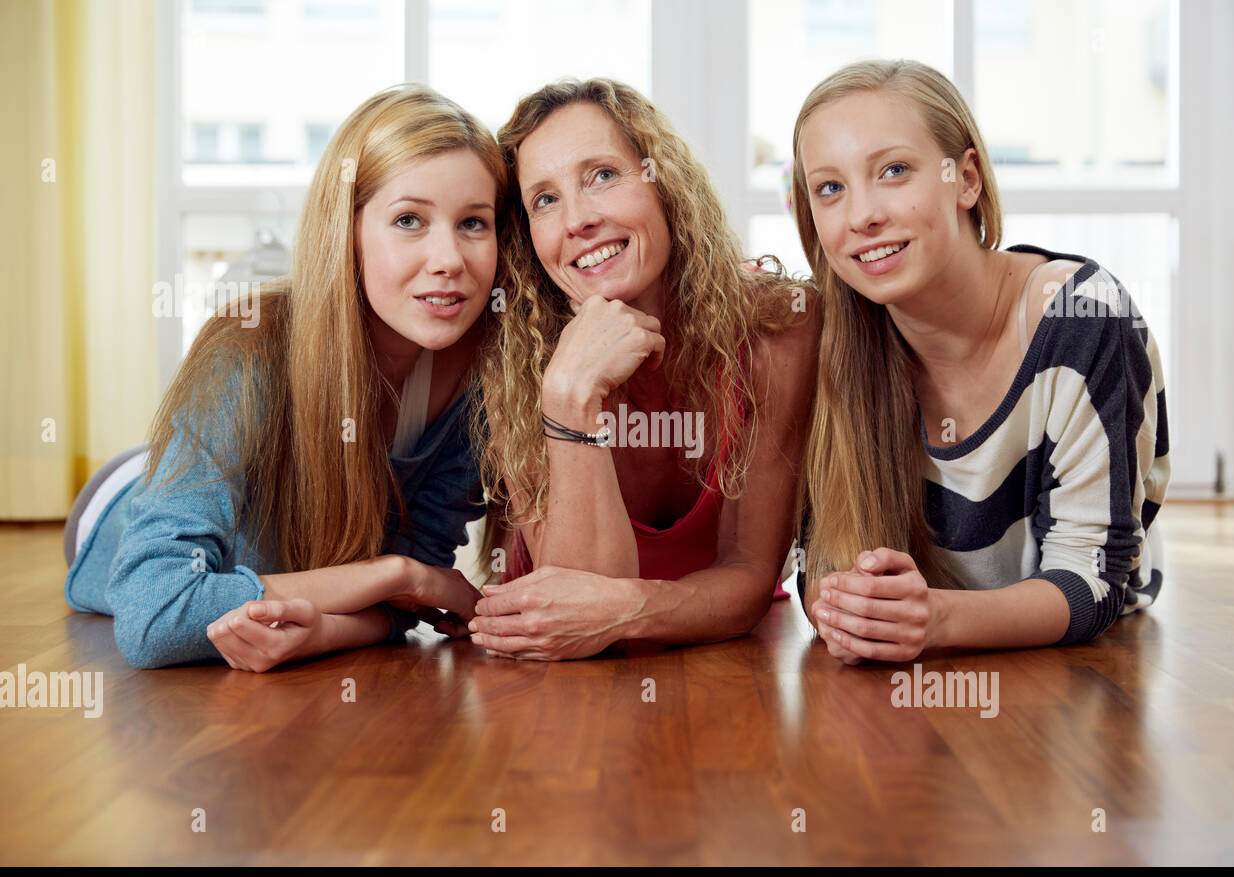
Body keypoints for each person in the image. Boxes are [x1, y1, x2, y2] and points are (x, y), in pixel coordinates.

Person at [63, 85, 502, 671]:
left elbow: (405, 607)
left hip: (258, 532)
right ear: (345, 235)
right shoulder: (248, 348)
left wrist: (327, 629)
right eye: (408, 219)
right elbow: (156, 613)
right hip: (124, 500)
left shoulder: (478, 380)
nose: (449, 258)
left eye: (474, 222)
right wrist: (392, 573)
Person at [791, 60, 1170, 663]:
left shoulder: (1080, 319)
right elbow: (819, 569)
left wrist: (935, 619)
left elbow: (1095, 581)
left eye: (894, 171)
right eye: (829, 188)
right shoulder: (827, 341)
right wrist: (854, 609)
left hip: (1073, 673)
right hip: (904, 681)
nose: (861, 215)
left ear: (965, 179)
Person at [466, 78, 821, 661]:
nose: (577, 220)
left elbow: (748, 578)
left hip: (718, 665)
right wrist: (569, 394)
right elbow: (574, 627)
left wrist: (627, 608)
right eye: (545, 200)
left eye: (603, 176)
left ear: (665, 185)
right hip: (549, 683)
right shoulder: (515, 355)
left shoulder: (776, 330)